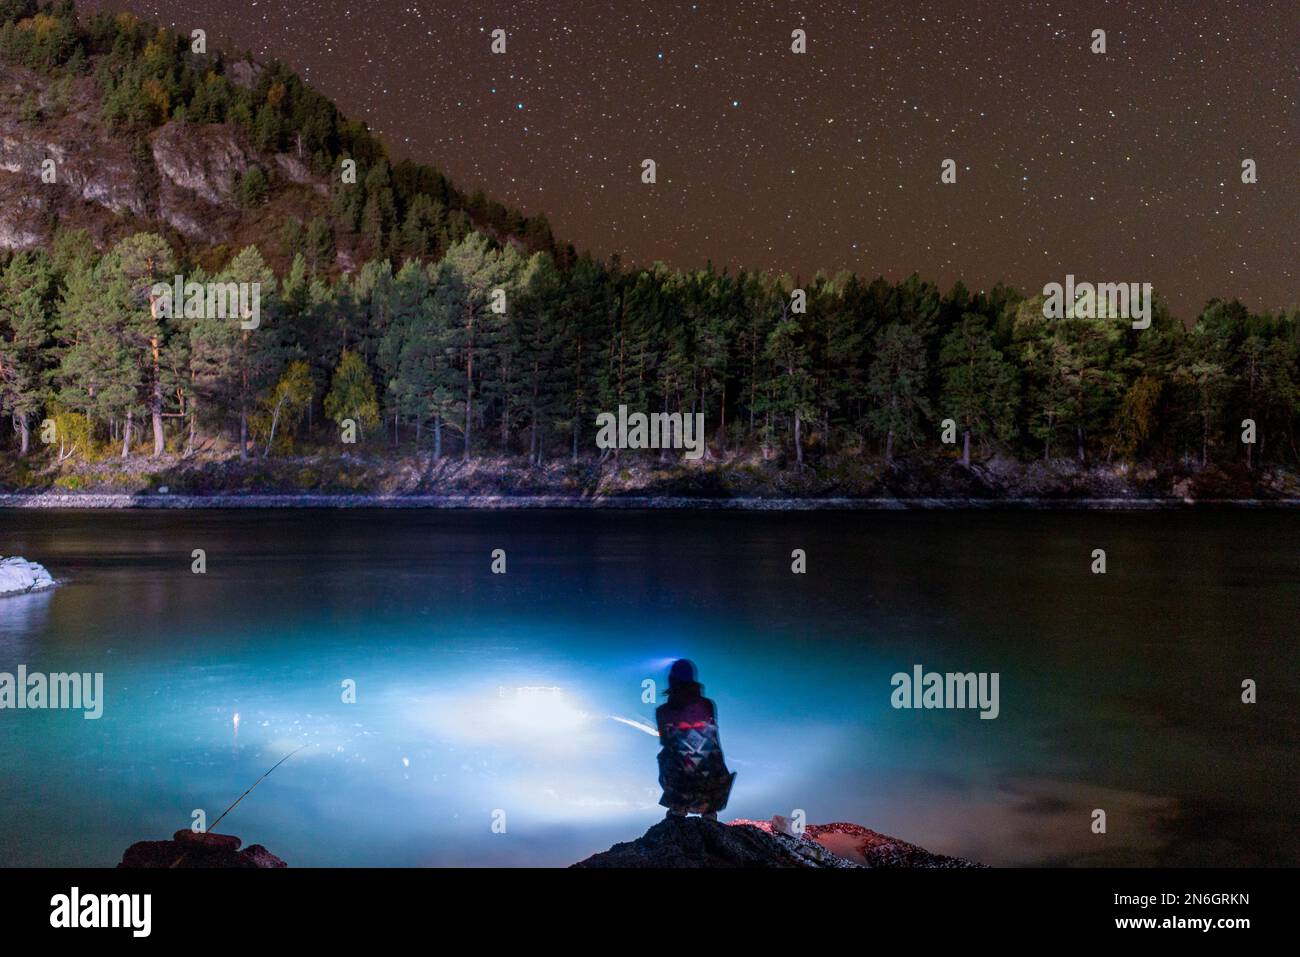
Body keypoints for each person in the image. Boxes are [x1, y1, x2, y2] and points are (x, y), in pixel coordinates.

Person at [655, 659, 736, 820]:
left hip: (680, 773)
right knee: (710, 753)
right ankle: (709, 812)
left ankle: (678, 808)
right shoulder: (707, 705)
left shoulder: (663, 711)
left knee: (664, 756)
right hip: (711, 772)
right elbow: (713, 738)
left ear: (671, 679)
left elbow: (666, 741)